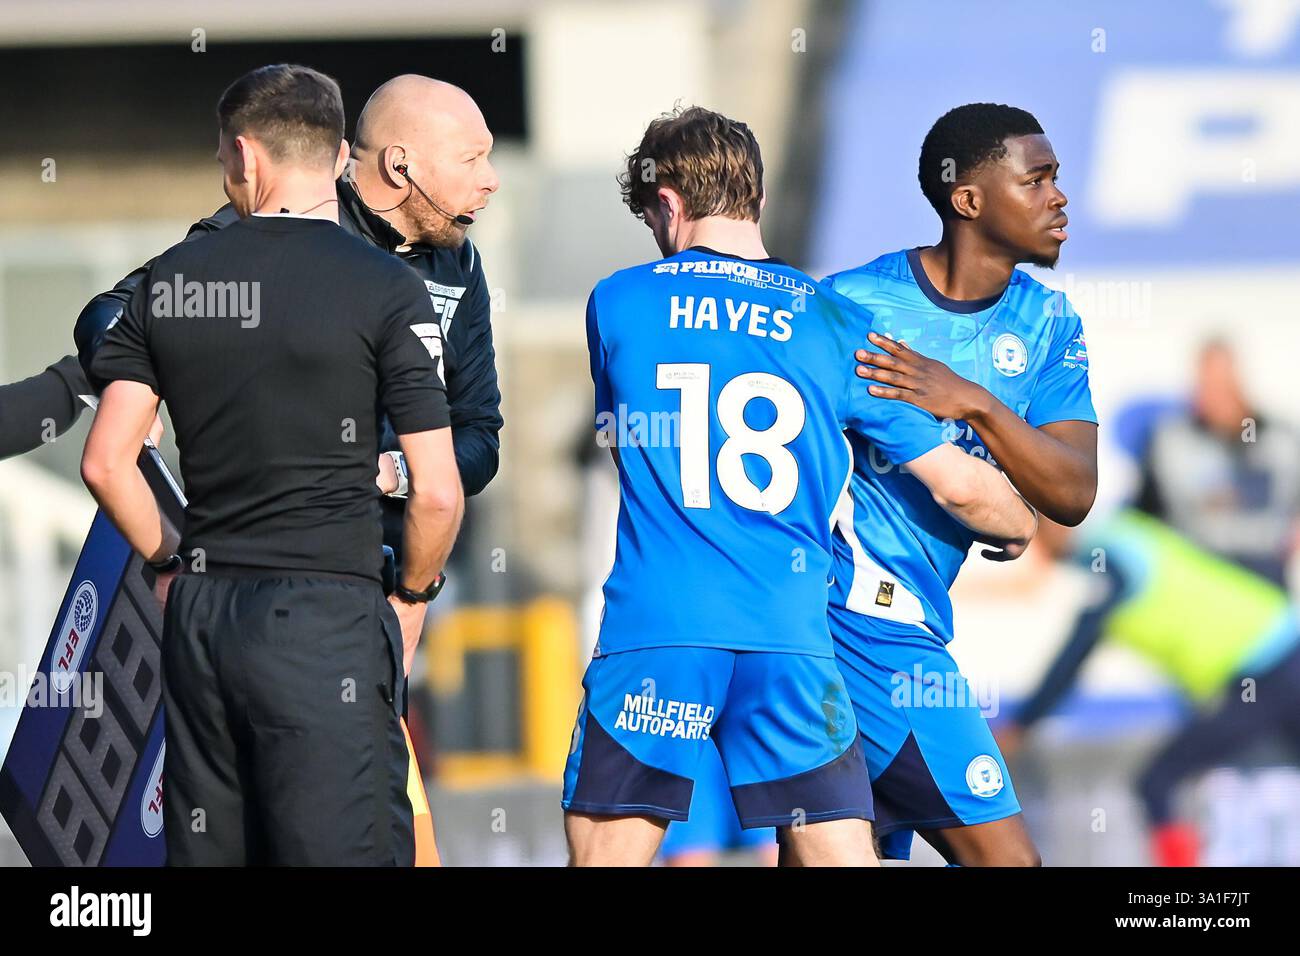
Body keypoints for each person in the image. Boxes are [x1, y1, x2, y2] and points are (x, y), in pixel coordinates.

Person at [562, 106, 1037, 867]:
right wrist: (1016, 524)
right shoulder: (834, 320)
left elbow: (622, 432)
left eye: (652, 216)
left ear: (670, 204)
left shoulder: (619, 300)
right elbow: (960, 487)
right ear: (753, 194)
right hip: (790, 640)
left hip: (662, 628)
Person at [81, 64, 463, 865]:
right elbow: (436, 492)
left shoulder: (169, 284)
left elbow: (109, 463)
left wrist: (171, 559)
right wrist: (412, 595)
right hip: (327, 620)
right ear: (333, 160)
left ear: (246, 158)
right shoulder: (388, 289)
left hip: (204, 621)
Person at [8, 74, 503, 516]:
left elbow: (479, 434)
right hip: (264, 561)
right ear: (401, 166)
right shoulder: (279, 227)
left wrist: (389, 473)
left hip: (395, 572)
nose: (491, 180)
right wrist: (129, 391)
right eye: (471, 159)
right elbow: (110, 319)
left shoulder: (462, 264)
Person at [821, 103, 1099, 865]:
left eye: (1057, 179)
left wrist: (973, 400)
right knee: (1008, 860)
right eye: (1036, 180)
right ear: (967, 200)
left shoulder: (1048, 323)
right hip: (861, 621)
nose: (1059, 197)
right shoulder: (854, 305)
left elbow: (1073, 490)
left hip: (908, 617)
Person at [1001, 511, 1300, 867]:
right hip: (1282, 651)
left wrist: (1022, 724)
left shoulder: (1109, 557)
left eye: (1037, 533)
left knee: (1157, 782)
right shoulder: (1133, 534)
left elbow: (1075, 652)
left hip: (1266, 668)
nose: (1033, 545)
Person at [1135, 338, 1300, 586]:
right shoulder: (1169, 442)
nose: (1218, 396)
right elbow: (1144, 517)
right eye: (1209, 386)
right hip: (1198, 589)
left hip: (1266, 589)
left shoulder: (1281, 440)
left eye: (1224, 384)